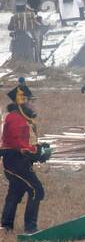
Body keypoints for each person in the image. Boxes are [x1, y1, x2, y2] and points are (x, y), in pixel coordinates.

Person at [1, 78, 45, 233]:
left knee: (15, 191)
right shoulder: (15, 119)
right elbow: (20, 144)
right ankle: (30, 228)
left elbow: (27, 141)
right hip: (15, 162)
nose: (33, 104)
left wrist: (39, 147)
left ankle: (6, 226)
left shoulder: (20, 117)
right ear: (23, 102)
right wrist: (37, 153)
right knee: (36, 190)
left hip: (18, 162)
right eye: (30, 101)